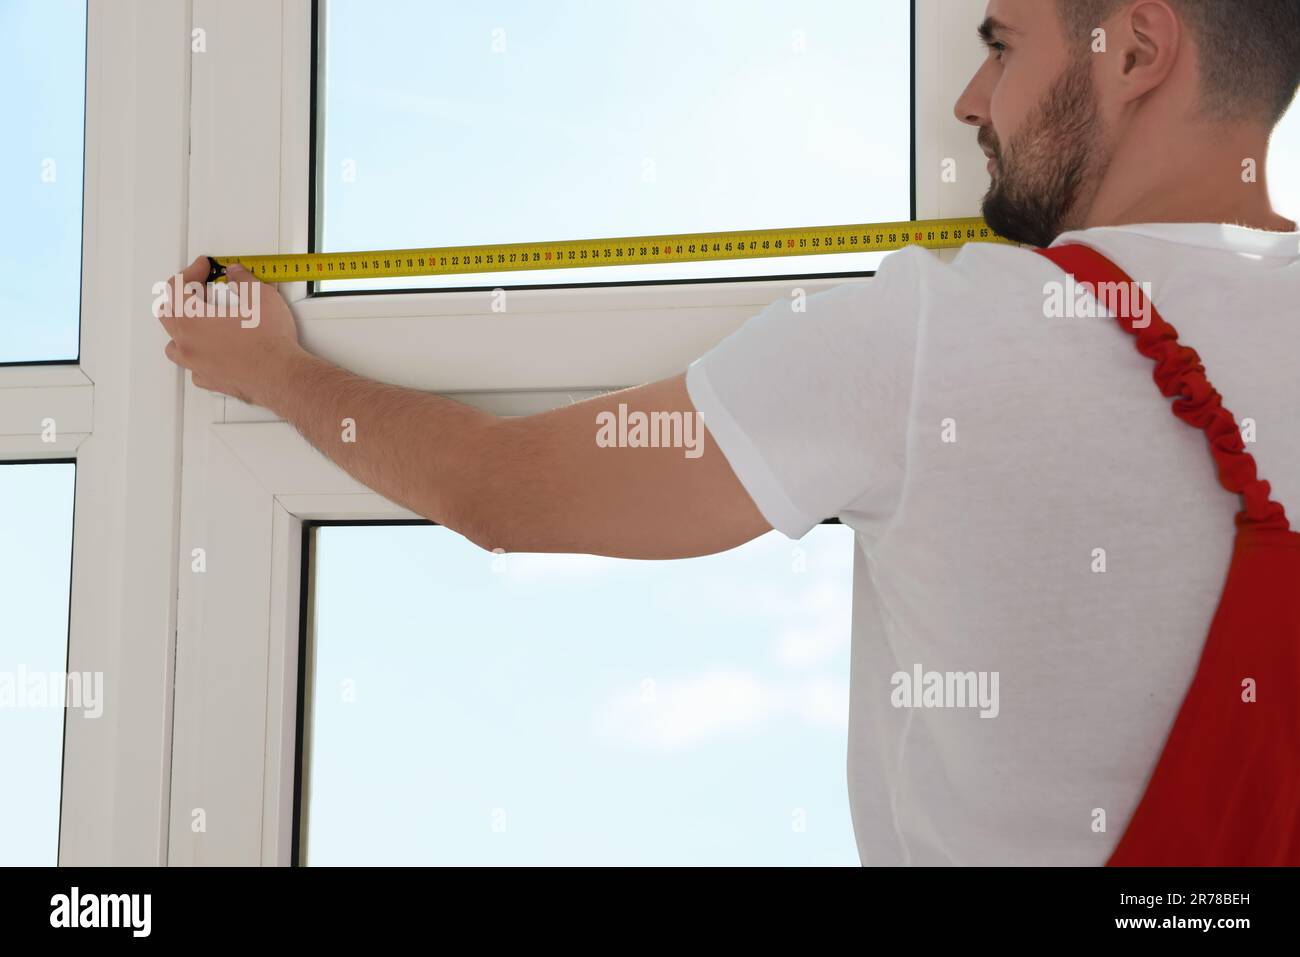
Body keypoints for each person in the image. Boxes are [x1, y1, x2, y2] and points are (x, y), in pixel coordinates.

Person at [158, 0, 1300, 865]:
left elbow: (504, 491)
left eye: (1001, 45)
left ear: (1135, 55)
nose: (966, 100)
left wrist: (270, 368)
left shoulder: (930, 334)